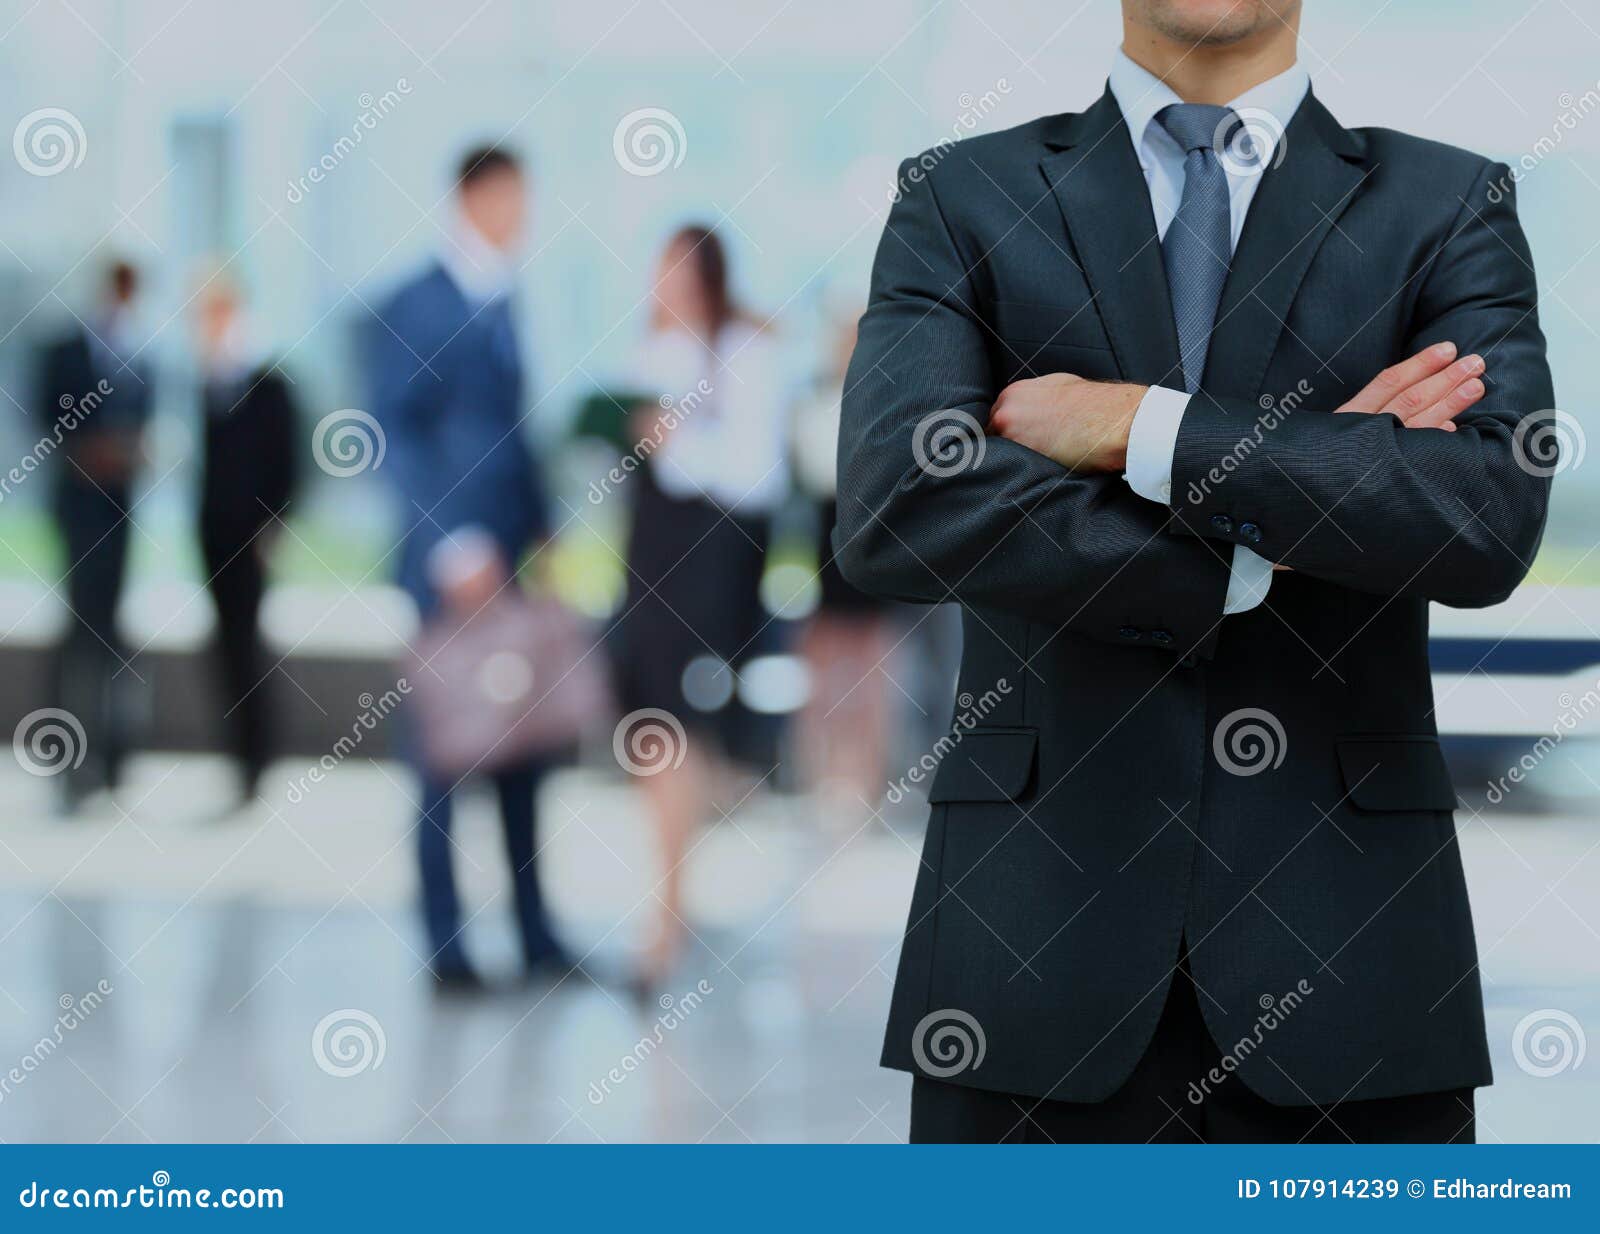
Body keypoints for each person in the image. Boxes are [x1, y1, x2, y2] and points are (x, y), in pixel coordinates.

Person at [837, 0, 1552, 1143]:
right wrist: (1283, 509)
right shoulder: (959, 195)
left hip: (1350, 963)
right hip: (1030, 956)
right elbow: (900, 503)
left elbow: (1484, 515)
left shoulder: (1448, 204)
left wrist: (1140, 428)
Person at [368, 145, 568, 991]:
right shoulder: (410, 305)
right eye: (511, 197)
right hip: (447, 571)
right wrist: (453, 543)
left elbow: (511, 436)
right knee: (444, 755)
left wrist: (542, 535)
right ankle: (447, 947)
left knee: (525, 753)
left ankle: (534, 935)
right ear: (472, 196)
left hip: (513, 569)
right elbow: (396, 437)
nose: (522, 213)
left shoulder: (503, 299)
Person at [611, 225, 786, 990]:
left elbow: (757, 476)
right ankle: (676, 896)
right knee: (659, 738)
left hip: (707, 566)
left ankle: (667, 919)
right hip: (648, 564)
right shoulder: (652, 353)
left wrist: (678, 443)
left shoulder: (747, 353)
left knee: (678, 733)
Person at [38, 261, 153, 812]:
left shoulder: (140, 356)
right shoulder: (64, 350)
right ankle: (65, 760)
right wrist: (86, 453)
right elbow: (45, 418)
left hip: (118, 512)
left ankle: (110, 761)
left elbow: (144, 426)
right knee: (77, 634)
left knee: (110, 634)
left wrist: (129, 454)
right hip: (78, 511)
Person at [192, 275, 299, 807]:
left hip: (251, 536)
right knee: (226, 645)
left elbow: (286, 462)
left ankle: (257, 755)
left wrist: (273, 524)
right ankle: (238, 753)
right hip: (212, 533)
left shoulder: (267, 381)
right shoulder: (207, 380)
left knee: (249, 643)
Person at [789, 309, 897, 827]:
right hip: (827, 551)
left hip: (872, 550)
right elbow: (812, 472)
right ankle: (823, 779)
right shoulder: (815, 402)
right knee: (825, 672)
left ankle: (863, 785)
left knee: (870, 673)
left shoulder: (884, 401)